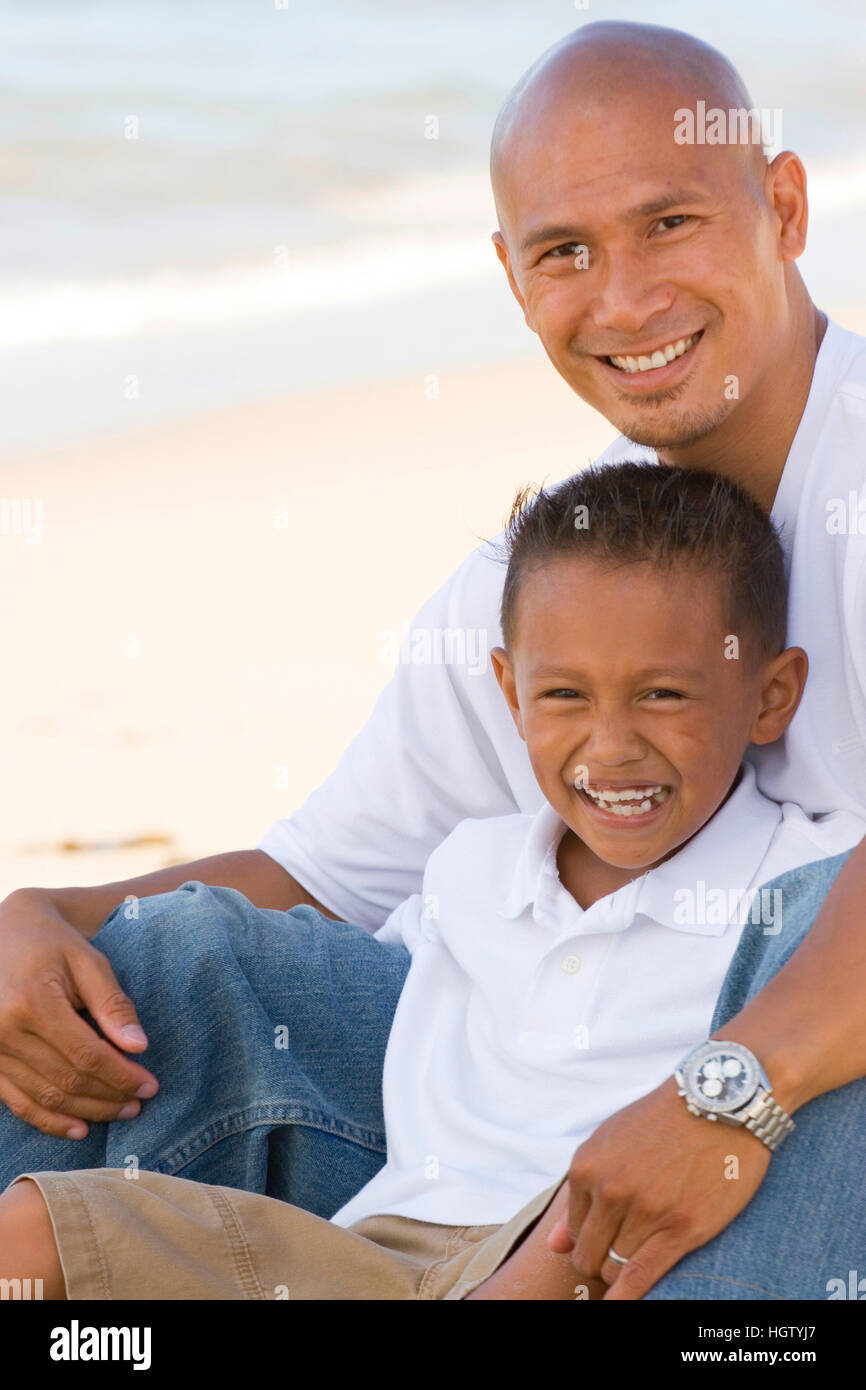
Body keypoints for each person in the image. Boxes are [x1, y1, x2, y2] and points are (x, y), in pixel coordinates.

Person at [1, 22, 865, 1300]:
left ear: (781, 207)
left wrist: (727, 1090)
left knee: (810, 929)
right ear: (513, 281)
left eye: (668, 223)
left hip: (791, 1167)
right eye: (565, 252)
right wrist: (48, 919)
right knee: (139, 978)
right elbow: (323, 874)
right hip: (527, 1175)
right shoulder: (544, 590)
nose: (623, 299)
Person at [1, 463, 863, 1300]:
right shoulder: (470, 870)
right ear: (508, 693)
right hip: (374, 1256)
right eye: (564, 694)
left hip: (590, 1254)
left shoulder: (804, 881)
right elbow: (304, 924)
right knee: (33, 1233)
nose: (611, 746)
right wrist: (49, 908)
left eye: (664, 694)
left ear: (771, 696)